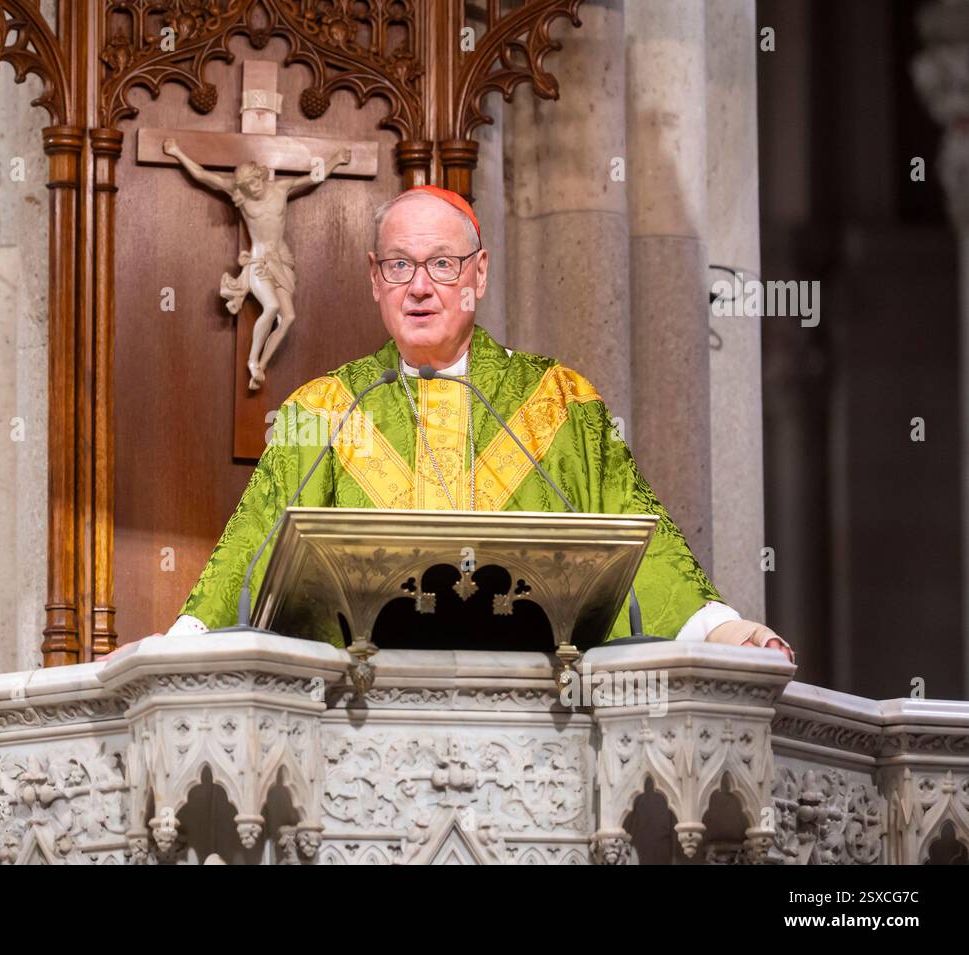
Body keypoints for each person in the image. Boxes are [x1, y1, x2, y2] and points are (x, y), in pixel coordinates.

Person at [165, 185, 793, 662]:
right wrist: (172, 650)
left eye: (442, 264)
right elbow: (247, 554)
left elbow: (638, 533)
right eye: (398, 266)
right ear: (373, 280)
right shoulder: (324, 411)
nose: (419, 287)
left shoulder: (556, 403)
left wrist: (721, 628)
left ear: (479, 274)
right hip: (359, 737)